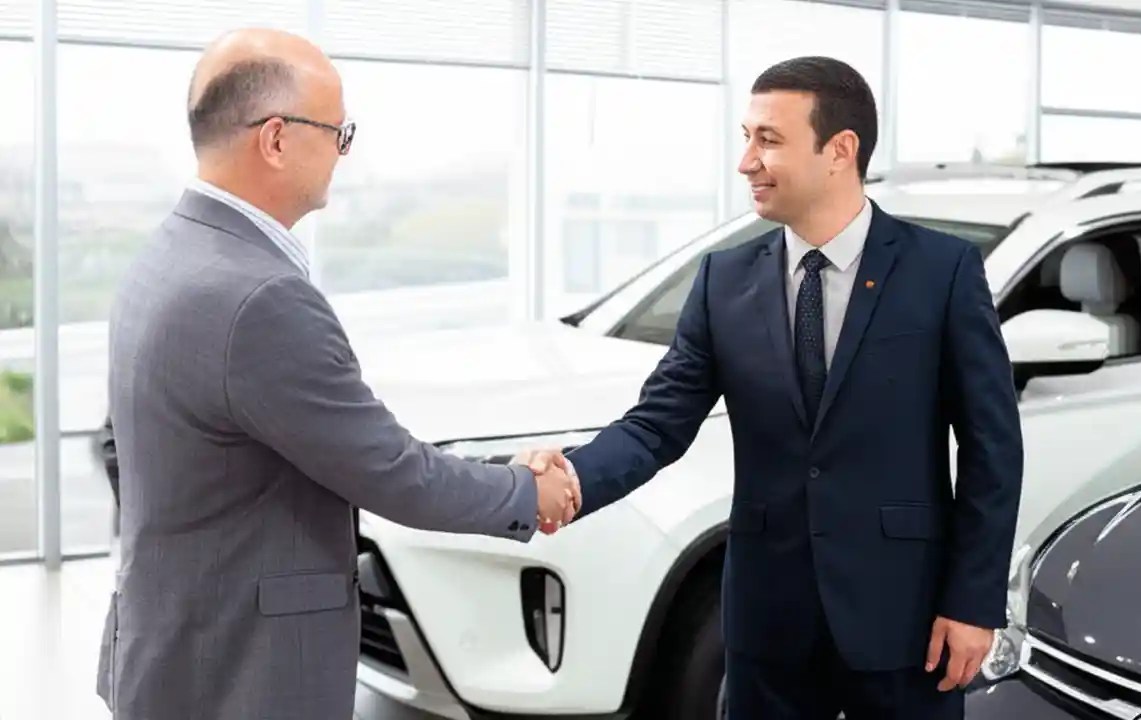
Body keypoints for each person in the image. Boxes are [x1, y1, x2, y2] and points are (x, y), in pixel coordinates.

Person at [94, 28, 580, 720]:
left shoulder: (169, 254)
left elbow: (130, 448)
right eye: (338, 131)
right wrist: (527, 493)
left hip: (172, 645)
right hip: (241, 674)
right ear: (276, 139)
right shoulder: (260, 297)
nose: (343, 152)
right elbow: (390, 471)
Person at [530, 56, 1023, 718]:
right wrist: (569, 478)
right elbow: (657, 425)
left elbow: (994, 448)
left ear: (839, 151)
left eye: (768, 139)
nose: (746, 162)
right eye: (745, 136)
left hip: (903, 613)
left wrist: (973, 601)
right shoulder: (722, 282)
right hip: (768, 620)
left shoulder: (942, 272)